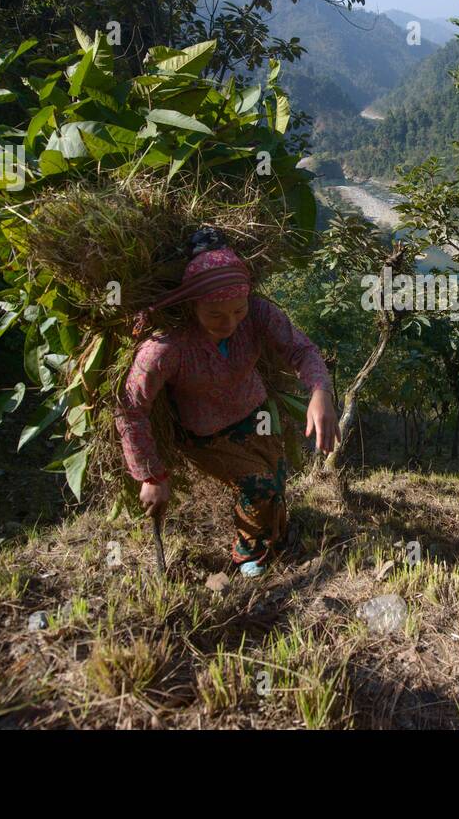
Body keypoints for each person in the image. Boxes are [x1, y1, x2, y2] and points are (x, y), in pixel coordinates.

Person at [114, 228, 338, 576]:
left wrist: (320, 392)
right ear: (192, 306)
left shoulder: (259, 314)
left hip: (257, 412)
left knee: (276, 479)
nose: (230, 322)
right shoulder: (165, 348)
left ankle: (274, 539)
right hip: (205, 432)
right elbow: (131, 407)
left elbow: (301, 350)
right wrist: (151, 475)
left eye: (238, 310)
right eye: (216, 315)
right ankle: (248, 555)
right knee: (258, 485)